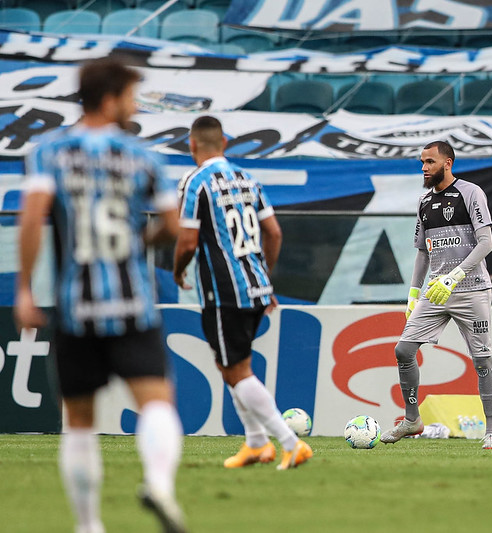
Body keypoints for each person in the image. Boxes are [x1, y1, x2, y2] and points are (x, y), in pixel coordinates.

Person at [15, 57, 187, 533]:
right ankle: (158, 482)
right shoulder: (144, 156)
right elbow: (171, 227)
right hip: (133, 302)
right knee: (157, 404)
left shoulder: (49, 152)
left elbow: (32, 219)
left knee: (80, 421)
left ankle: (88, 525)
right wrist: (139, 242)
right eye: (131, 97)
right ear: (110, 100)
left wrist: (25, 289)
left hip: (76, 306)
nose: (134, 106)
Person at [173, 115, 312, 470]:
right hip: (255, 286)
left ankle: (290, 443)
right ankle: (256, 445)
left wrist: (177, 270)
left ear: (192, 146)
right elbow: (274, 233)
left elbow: (187, 241)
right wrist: (263, 276)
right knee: (230, 365)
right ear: (225, 143)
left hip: (223, 291)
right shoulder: (247, 179)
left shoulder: (194, 182)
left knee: (236, 370)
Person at [381, 140, 492, 450]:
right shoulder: (424, 202)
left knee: (482, 360)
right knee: (403, 350)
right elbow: (422, 251)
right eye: (422, 162)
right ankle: (412, 420)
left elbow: (486, 242)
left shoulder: (471, 193)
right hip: (434, 292)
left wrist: (455, 276)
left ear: (448, 163)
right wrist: (412, 294)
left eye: (430, 162)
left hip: (471, 289)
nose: (424, 168)